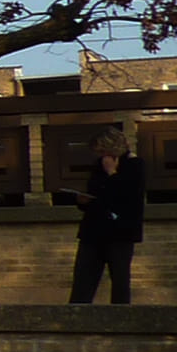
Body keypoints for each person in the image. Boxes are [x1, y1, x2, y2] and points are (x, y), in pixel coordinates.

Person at [69, 129, 147, 304]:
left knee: (119, 280)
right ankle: (77, 315)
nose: (100, 155)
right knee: (83, 278)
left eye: (102, 150)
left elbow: (128, 198)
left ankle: (120, 317)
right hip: (93, 232)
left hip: (120, 232)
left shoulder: (135, 165)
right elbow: (95, 194)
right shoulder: (98, 167)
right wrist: (83, 201)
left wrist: (112, 174)